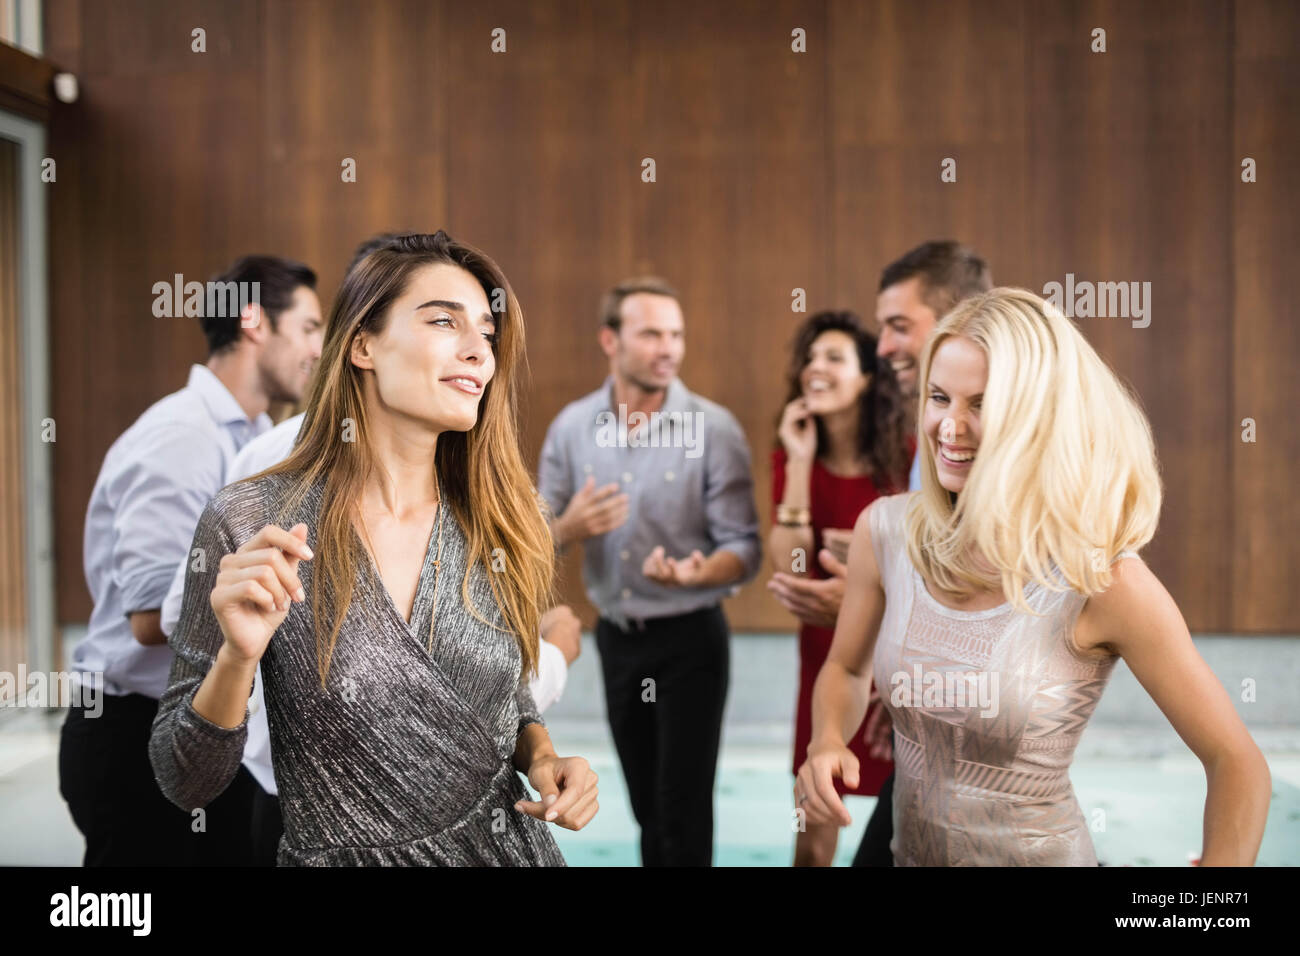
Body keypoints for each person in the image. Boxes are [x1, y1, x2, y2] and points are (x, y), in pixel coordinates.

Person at [150, 231, 597, 865]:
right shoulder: (251, 520)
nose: (479, 352)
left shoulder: (503, 519)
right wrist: (237, 659)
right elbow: (185, 781)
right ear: (362, 344)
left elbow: (502, 697)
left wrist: (543, 755)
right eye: (445, 321)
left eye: (488, 335)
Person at [796, 287, 1271, 865]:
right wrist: (825, 741)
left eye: (983, 405)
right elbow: (846, 668)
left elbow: (1236, 760)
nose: (950, 426)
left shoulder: (1101, 578)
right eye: (940, 397)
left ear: (1039, 419)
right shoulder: (887, 533)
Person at [59, 255, 321, 866]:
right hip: (135, 729)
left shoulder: (251, 437)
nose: (318, 349)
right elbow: (150, 618)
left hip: (201, 721)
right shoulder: (184, 437)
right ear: (254, 322)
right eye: (309, 328)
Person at [768, 240, 993, 865]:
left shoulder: (927, 450)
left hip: (959, 725)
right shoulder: (930, 452)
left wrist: (875, 598)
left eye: (898, 327)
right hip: (852, 655)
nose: (885, 343)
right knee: (827, 820)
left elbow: (987, 597)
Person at [538, 276, 761, 866]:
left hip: (691, 639)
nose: (669, 348)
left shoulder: (715, 430)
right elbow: (527, 543)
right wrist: (568, 527)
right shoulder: (571, 428)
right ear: (609, 341)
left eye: (677, 334)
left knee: (682, 806)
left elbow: (745, 547)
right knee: (644, 805)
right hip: (618, 640)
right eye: (652, 334)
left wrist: (700, 571)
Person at [768, 311, 911, 865]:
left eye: (834, 358)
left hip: (895, 652)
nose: (815, 369)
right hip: (827, 657)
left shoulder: (907, 459)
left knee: (904, 821)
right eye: (810, 358)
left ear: (868, 377)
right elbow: (792, 568)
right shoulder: (792, 453)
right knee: (814, 825)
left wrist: (870, 571)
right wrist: (800, 463)